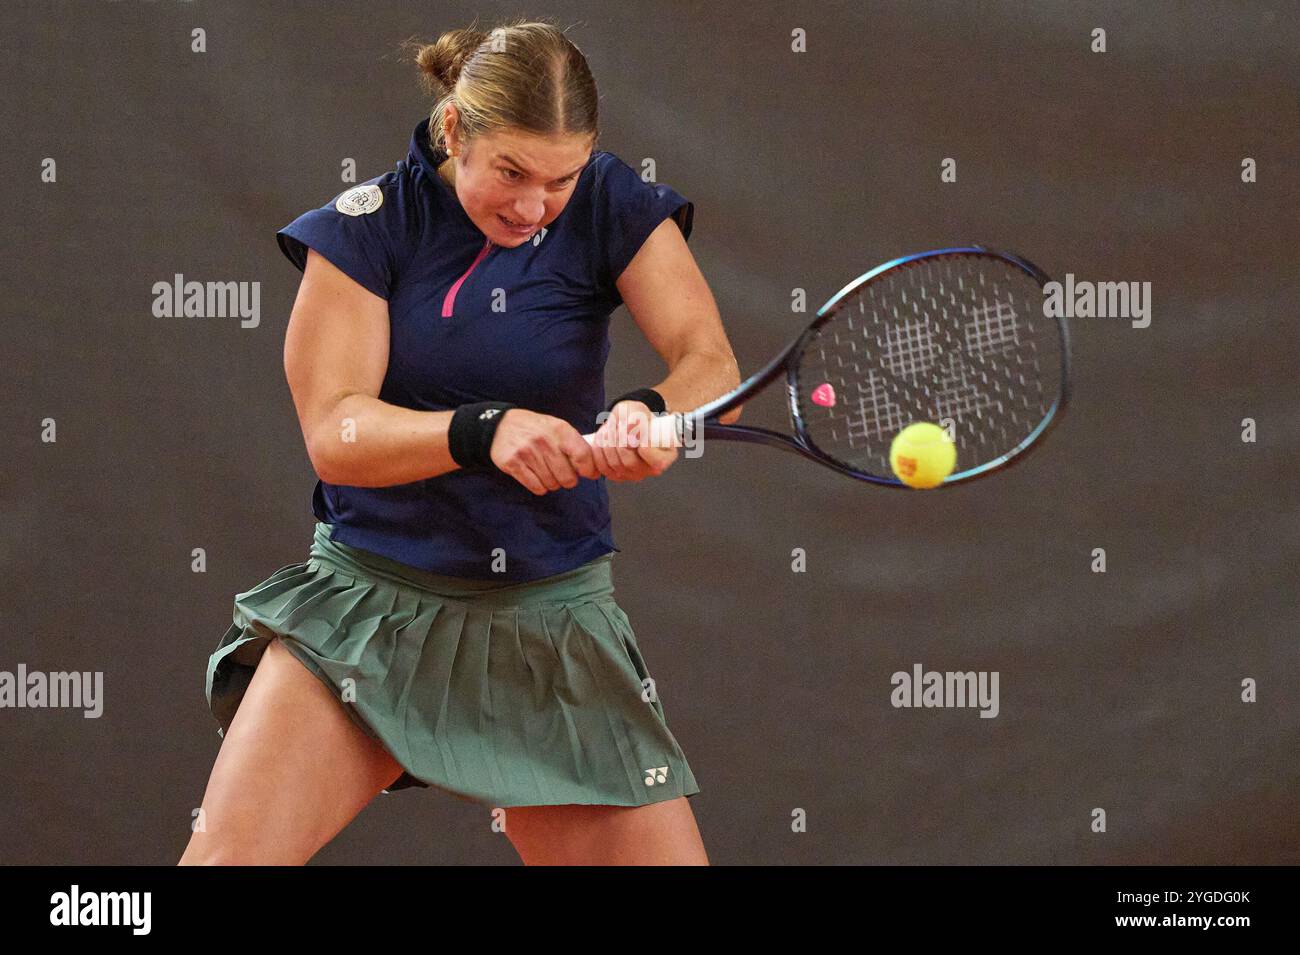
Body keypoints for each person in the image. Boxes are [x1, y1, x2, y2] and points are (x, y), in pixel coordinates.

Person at [179, 18, 741, 866]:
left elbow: (711, 363)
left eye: (561, 179)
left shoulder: (610, 202)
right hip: (369, 614)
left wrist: (653, 410)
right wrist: (481, 432)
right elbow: (337, 432)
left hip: (551, 624)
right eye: (512, 171)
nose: (533, 205)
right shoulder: (365, 230)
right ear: (454, 131)